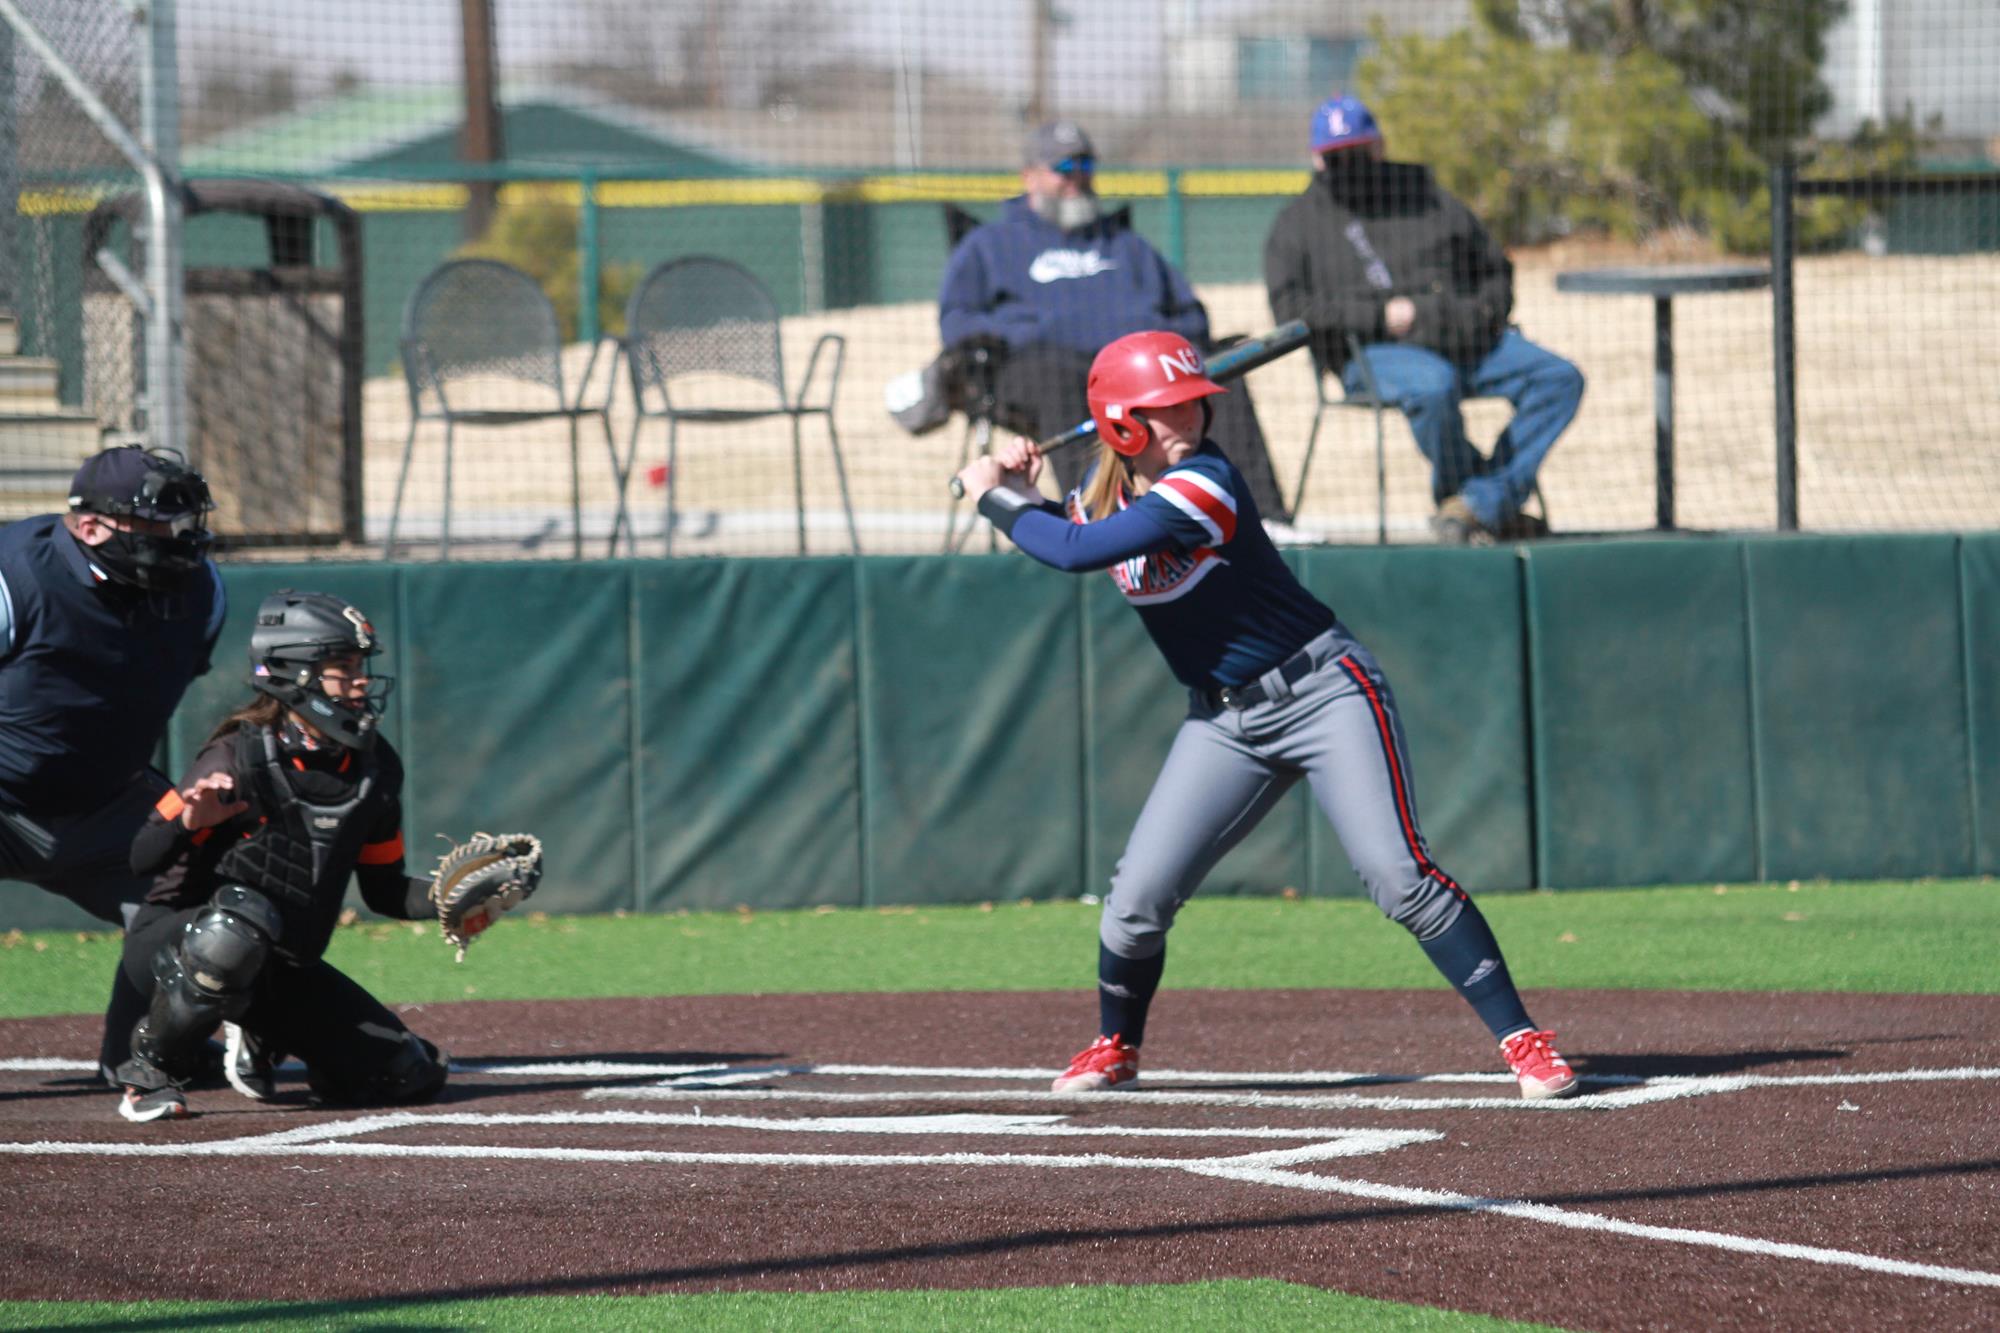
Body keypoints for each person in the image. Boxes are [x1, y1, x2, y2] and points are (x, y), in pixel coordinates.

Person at [951, 330, 1578, 1101]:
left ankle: (1524, 1040)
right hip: (1223, 722)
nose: (1192, 421)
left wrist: (992, 492)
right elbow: (1072, 526)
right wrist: (1028, 488)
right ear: (1121, 423)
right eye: (1170, 409)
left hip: (1323, 690)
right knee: (1134, 905)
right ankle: (1117, 1043)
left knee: (1396, 875)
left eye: (1192, 407)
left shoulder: (1203, 483)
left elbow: (1076, 550)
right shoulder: (1097, 495)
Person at [112, 589, 452, 1122]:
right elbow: (140, 857)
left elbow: (386, 891)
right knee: (235, 931)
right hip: (180, 944)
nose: (361, 681)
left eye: (361, 665)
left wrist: (452, 899)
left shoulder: (375, 768)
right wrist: (189, 822)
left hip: (281, 966)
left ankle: (262, 1033)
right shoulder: (236, 752)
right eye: (343, 667)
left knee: (404, 1073)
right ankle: (149, 1074)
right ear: (295, 673)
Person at [940, 119, 1296, 530]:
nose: (1078, 179)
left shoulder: (1126, 245)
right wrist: (1026, 335)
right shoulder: (989, 245)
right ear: (1029, 176)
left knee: (1220, 365)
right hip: (1040, 371)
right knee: (1055, 375)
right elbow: (957, 321)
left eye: (1086, 167)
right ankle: (1101, 526)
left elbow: (1189, 312)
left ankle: (1261, 520)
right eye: (1065, 169)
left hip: (1141, 373)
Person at [0, 444, 226, 1084]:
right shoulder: (14, 575)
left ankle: (142, 1049)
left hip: (106, 807)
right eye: (154, 523)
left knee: (220, 919)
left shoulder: (201, 592)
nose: (176, 539)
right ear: (90, 526)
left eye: (183, 522)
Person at [1264, 94, 1584, 543]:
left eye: (1358, 151)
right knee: (1433, 385)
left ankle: (1477, 505)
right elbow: (1290, 310)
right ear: (1317, 160)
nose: (1350, 165)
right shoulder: (1297, 224)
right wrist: (1378, 315)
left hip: (1463, 339)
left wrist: (1474, 316)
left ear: (1379, 147)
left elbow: (1494, 271)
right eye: (1337, 157)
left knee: (1559, 378)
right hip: (1371, 354)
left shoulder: (1427, 197)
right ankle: (1482, 505)